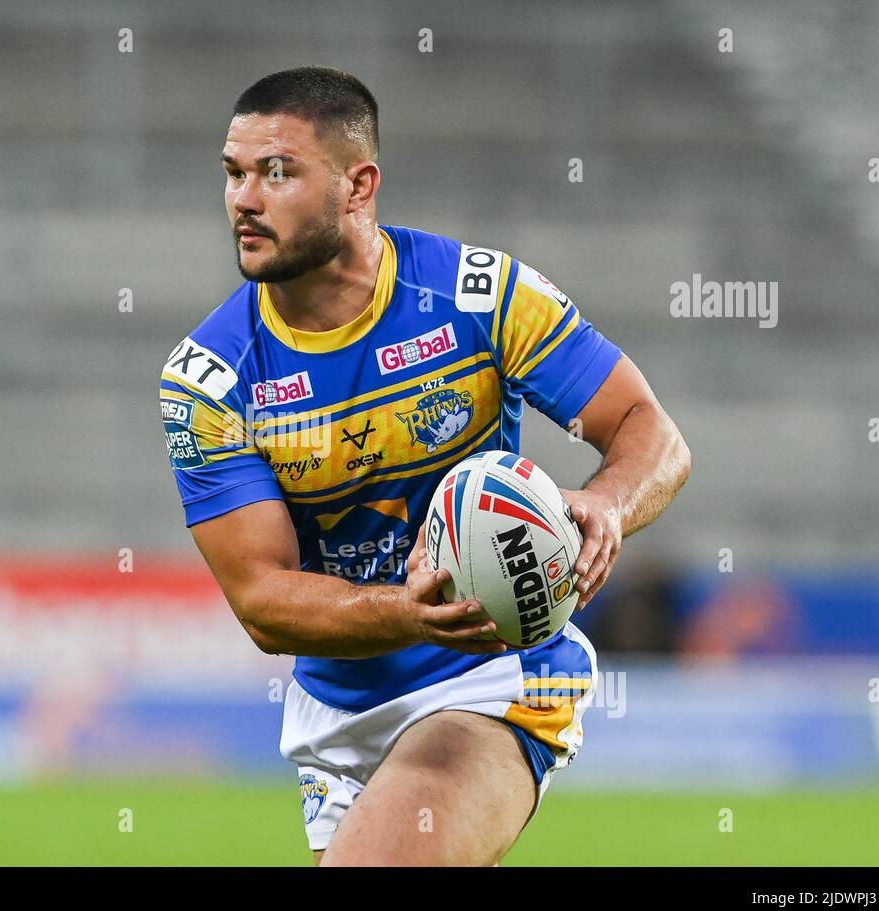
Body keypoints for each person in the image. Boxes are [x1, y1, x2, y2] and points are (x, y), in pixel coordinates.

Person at [158, 66, 691, 866]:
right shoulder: (210, 380)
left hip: (494, 680)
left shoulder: (479, 298)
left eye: (277, 172)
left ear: (358, 185)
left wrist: (609, 503)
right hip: (334, 714)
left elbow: (649, 430)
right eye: (234, 174)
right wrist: (409, 612)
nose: (244, 199)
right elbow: (263, 603)